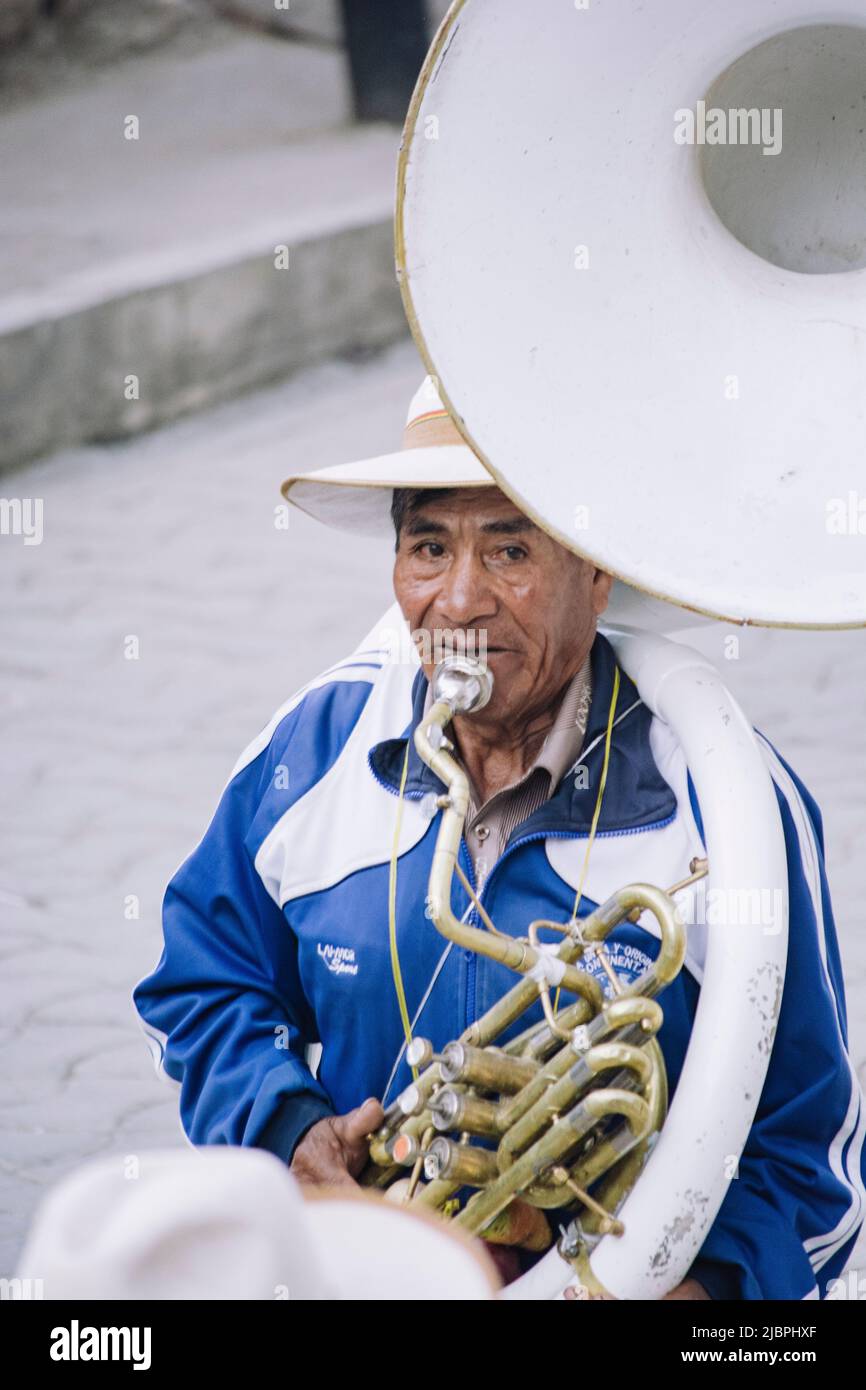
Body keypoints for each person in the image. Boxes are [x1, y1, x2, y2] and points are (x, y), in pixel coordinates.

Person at [133, 375, 866, 1300]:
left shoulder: (731, 802)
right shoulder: (310, 751)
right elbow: (204, 984)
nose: (459, 601)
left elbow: (809, 1149)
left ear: (596, 573)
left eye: (510, 549)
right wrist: (289, 1130)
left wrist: (701, 1296)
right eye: (427, 547)